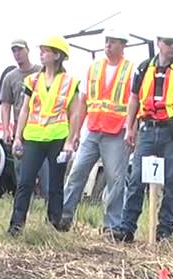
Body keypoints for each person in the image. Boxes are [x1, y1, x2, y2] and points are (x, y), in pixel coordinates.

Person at [115, 35, 173, 243]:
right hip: (148, 129)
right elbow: (134, 98)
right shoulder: (144, 68)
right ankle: (127, 228)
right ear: (159, 43)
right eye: (169, 43)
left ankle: (165, 231)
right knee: (136, 179)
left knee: (171, 181)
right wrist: (130, 129)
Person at [59, 28, 134, 234]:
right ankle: (63, 217)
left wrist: (131, 130)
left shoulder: (130, 70)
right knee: (77, 173)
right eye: (107, 41)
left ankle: (112, 226)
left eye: (113, 41)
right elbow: (83, 102)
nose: (108, 45)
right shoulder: (94, 68)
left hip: (116, 133)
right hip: (93, 130)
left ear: (123, 45)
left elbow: (134, 104)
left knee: (115, 181)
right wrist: (75, 133)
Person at [7, 36, 81, 236]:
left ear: (57, 55)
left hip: (57, 138)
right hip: (33, 138)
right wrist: (18, 137)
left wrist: (70, 142)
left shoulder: (69, 82)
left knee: (55, 185)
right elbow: (24, 110)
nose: (41, 53)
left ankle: (54, 224)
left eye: (45, 50)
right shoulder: (32, 80)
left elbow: (75, 112)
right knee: (25, 182)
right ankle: (16, 225)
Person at [0, 38, 49, 198]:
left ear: (27, 50)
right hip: (21, 135)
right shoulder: (10, 78)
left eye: (20, 50)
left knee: (46, 176)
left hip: (43, 131)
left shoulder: (42, 72)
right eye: (14, 51)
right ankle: (25, 209)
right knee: (22, 177)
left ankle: (50, 212)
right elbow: (5, 104)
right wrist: (6, 129)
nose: (17, 54)